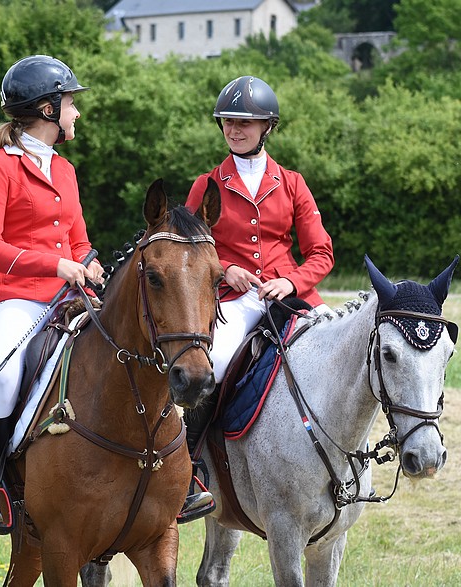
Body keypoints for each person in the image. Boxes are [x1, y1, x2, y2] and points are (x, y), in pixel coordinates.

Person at [180, 75, 335, 523]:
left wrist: (291, 281)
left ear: (267, 126)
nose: (234, 129)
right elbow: (190, 252)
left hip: (291, 294)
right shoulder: (206, 184)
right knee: (213, 367)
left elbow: (321, 252)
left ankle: (353, 462)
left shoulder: (292, 183)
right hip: (236, 298)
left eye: (245, 122)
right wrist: (224, 269)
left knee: (345, 356)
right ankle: (191, 470)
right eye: (228, 121)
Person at [0, 55, 104, 534]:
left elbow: (79, 239)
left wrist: (88, 262)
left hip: (69, 296)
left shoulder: (65, 170)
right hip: (16, 297)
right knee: (5, 377)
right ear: (48, 110)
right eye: (71, 103)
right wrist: (58, 264)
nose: (76, 113)